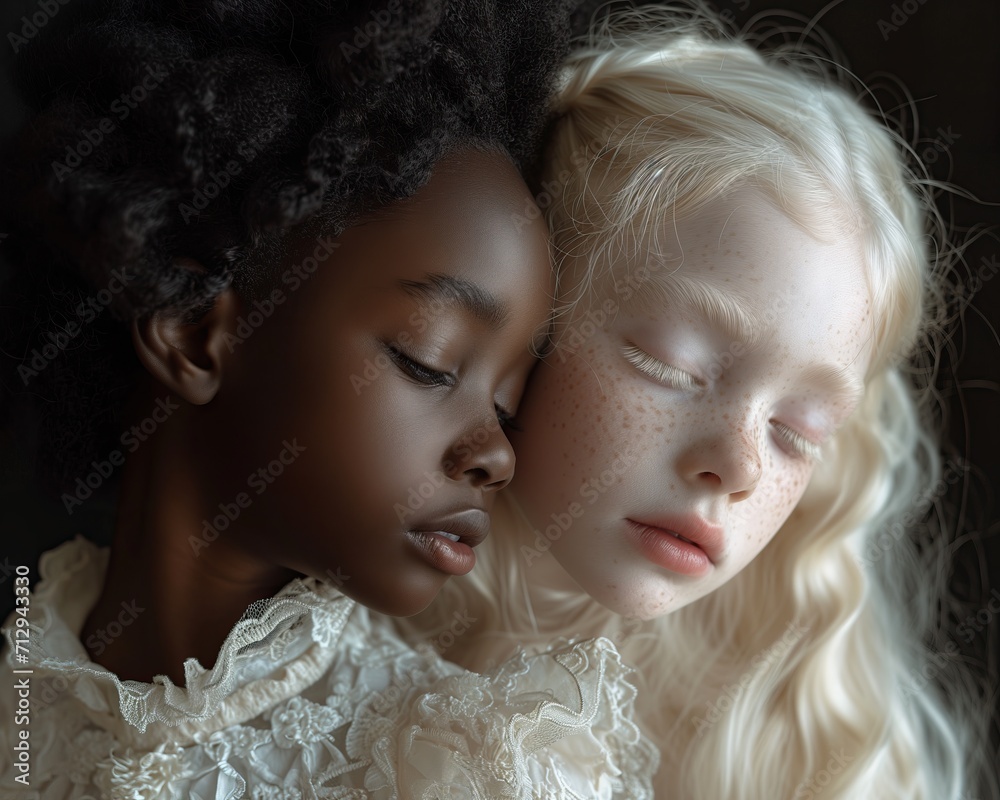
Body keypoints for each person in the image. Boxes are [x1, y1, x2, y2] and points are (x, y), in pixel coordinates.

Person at [0, 1, 658, 797]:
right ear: (189, 330)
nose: (498, 452)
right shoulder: (21, 698)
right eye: (430, 361)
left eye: (510, 402)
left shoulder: (470, 768)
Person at [398, 5, 997, 798]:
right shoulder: (284, 662)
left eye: (797, 431)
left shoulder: (795, 764)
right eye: (670, 366)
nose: (739, 466)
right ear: (531, 309)